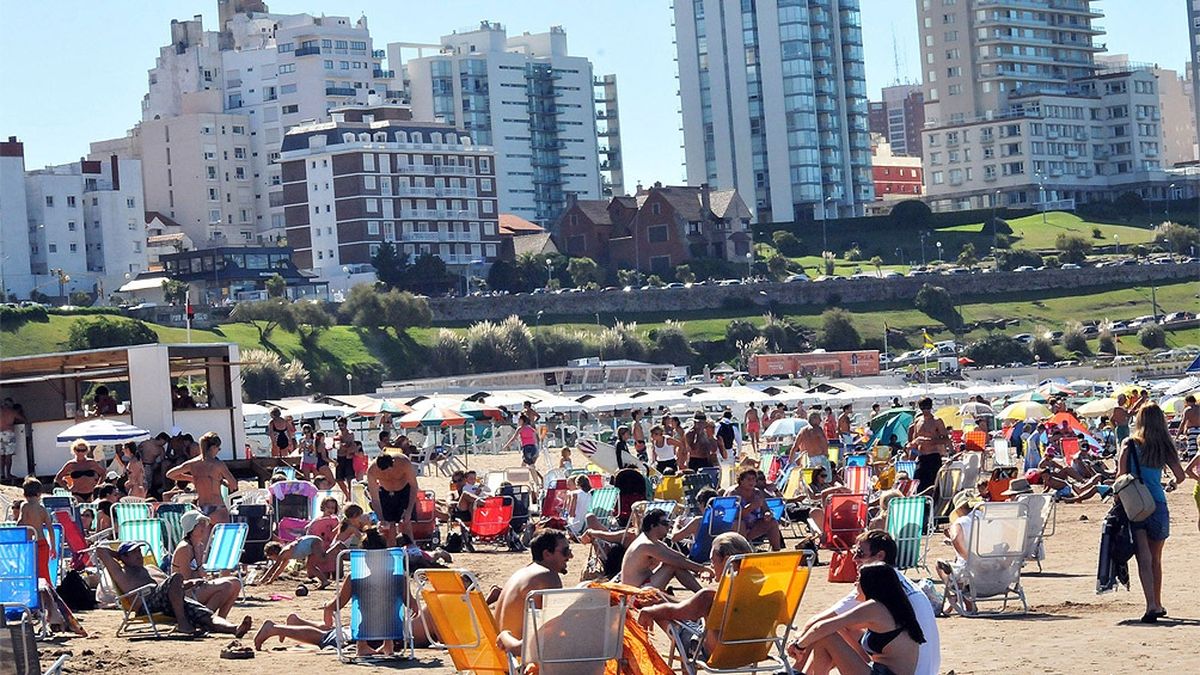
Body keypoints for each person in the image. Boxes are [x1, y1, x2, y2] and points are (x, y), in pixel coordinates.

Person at [253, 528, 435, 655]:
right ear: (387, 555)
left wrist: (328, 607)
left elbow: (335, 607)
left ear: (363, 557)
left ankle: (276, 628)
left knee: (325, 637)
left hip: (364, 636)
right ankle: (282, 626)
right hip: (389, 636)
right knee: (333, 633)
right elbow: (414, 609)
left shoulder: (354, 579)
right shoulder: (400, 579)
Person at [790, 530, 939, 675]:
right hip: (920, 667)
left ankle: (794, 672)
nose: (854, 559)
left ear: (880, 556)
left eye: (860, 553)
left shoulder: (874, 602)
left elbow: (818, 625)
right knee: (838, 630)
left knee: (826, 634)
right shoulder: (895, 588)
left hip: (901, 669)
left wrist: (799, 645)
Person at [1118, 403, 1187, 623]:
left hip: (1137, 504)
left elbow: (1120, 476)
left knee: (1143, 558)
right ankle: (1158, 602)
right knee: (1156, 558)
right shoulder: (1164, 445)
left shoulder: (1129, 444)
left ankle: (1151, 605)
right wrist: (1171, 484)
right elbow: (1180, 475)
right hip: (1158, 503)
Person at [95, 541, 251, 636]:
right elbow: (100, 550)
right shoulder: (121, 572)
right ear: (124, 558)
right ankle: (183, 624)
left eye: (139, 551)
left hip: (167, 601)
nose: (139, 555)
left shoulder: (150, 569)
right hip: (145, 603)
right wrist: (119, 554)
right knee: (176, 577)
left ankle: (234, 628)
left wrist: (189, 584)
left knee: (206, 615)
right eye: (133, 552)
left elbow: (172, 588)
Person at [634, 532, 754, 655]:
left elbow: (674, 611)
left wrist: (648, 611)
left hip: (715, 653)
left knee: (676, 624)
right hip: (752, 651)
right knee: (658, 597)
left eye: (712, 560)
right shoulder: (763, 592)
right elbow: (693, 607)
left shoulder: (709, 597)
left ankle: (687, 668)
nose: (711, 565)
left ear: (727, 560)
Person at [494, 529, 570, 640]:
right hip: (522, 653)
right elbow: (557, 628)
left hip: (503, 652)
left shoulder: (521, 573)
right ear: (547, 554)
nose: (570, 556)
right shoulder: (548, 577)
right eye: (565, 551)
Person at [619, 509, 709, 592]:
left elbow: (678, 556)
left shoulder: (652, 541)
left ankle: (702, 594)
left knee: (674, 564)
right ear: (653, 526)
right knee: (673, 565)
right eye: (665, 523)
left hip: (643, 585)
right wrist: (702, 569)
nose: (669, 526)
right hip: (635, 593)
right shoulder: (646, 545)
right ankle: (704, 596)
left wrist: (701, 569)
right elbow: (676, 561)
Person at [171, 511, 242, 617]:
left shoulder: (198, 546)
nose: (204, 527)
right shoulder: (184, 548)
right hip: (185, 593)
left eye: (204, 524)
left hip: (197, 587)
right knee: (225, 586)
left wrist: (201, 573)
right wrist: (201, 572)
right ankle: (204, 618)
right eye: (200, 524)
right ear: (191, 527)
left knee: (236, 583)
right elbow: (186, 580)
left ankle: (220, 619)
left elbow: (200, 573)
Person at [165, 432, 237, 523]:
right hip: (217, 507)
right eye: (218, 449)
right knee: (222, 536)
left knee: (204, 537)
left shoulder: (192, 463)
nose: (218, 451)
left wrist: (192, 478)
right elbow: (234, 485)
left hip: (202, 508)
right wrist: (221, 481)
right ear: (213, 447)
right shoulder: (218, 464)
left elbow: (170, 474)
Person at [934, 490, 980, 615]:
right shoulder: (987, 518)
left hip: (970, 571)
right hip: (993, 569)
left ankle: (955, 597)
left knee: (940, 565)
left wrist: (967, 557)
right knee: (956, 565)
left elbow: (956, 539)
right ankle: (963, 600)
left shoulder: (960, 523)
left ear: (959, 509)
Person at [366, 451, 418, 546]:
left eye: (388, 470)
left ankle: (411, 551)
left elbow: (414, 486)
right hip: (386, 493)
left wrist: (409, 510)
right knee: (388, 527)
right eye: (383, 472)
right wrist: (381, 518)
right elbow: (375, 498)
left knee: (406, 523)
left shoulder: (404, 462)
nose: (387, 474)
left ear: (393, 463)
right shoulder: (372, 471)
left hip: (404, 491)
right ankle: (391, 552)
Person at [725, 469, 783, 550]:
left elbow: (766, 509)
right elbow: (732, 516)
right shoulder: (733, 493)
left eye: (753, 479)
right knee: (740, 523)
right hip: (734, 527)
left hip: (752, 525)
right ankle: (743, 552)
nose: (751, 482)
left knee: (772, 522)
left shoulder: (757, 493)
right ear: (741, 480)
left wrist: (767, 514)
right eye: (748, 479)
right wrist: (750, 507)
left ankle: (777, 552)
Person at [17, 477, 56, 587]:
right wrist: (53, 547)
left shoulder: (24, 506)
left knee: (30, 570)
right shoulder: (42, 509)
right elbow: (50, 528)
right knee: (43, 571)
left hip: (29, 544)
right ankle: (49, 593)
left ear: (24, 494)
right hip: (42, 543)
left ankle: (34, 593)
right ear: (39, 494)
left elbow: (21, 522)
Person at [907, 398, 951, 495]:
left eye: (927, 408)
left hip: (933, 456)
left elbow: (946, 439)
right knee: (917, 485)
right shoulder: (917, 421)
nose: (925, 410)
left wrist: (932, 441)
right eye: (923, 408)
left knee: (933, 486)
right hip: (921, 457)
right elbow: (913, 441)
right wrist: (911, 451)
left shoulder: (937, 421)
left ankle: (932, 506)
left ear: (930, 408)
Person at [1, 397, 26, 482]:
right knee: (8, 455)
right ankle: (8, 474)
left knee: (1, 455)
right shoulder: (12, 412)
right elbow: (23, 419)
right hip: (9, 434)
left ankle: (2, 474)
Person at [333, 417, 356, 499]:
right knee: (339, 479)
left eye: (341, 425)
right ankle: (347, 495)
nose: (340, 426)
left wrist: (344, 446)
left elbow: (351, 446)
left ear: (345, 425)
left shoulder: (350, 433)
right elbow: (336, 446)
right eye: (338, 425)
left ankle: (350, 495)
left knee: (349, 478)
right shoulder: (337, 433)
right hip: (340, 457)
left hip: (348, 458)